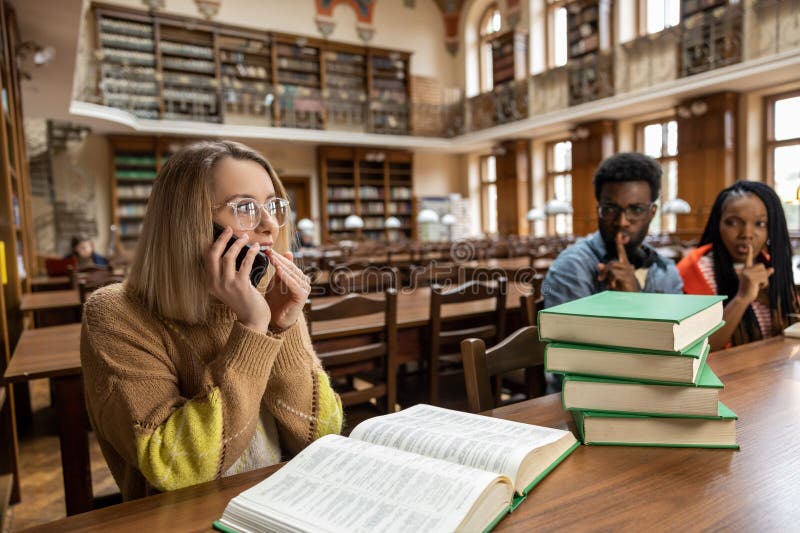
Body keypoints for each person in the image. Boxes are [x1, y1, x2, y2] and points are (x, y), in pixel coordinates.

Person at [80, 141, 343, 500]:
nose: (269, 224)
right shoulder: (114, 314)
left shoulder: (265, 291)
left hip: (282, 502)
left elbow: (321, 435)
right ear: (189, 223)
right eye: (245, 208)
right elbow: (177, 468)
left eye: (273, 205)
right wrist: (253, 329)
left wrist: (279, 327)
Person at [543, 152, 683, 309]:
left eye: (636, 209)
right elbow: (568, 333)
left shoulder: (666, 271)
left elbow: (678, 333)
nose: (622, 222)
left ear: (652, 213)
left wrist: (634, 298)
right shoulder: (572, 267)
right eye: (610, 209)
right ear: (598, 211)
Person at [677, 181, 798, 350]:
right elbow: (698, 348)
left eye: (760, 224)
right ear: (718, 224)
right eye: (733, 222)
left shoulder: (770, 267)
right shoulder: (694, 271)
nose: (746, 234)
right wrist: (742, 297)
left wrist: (770, 299)